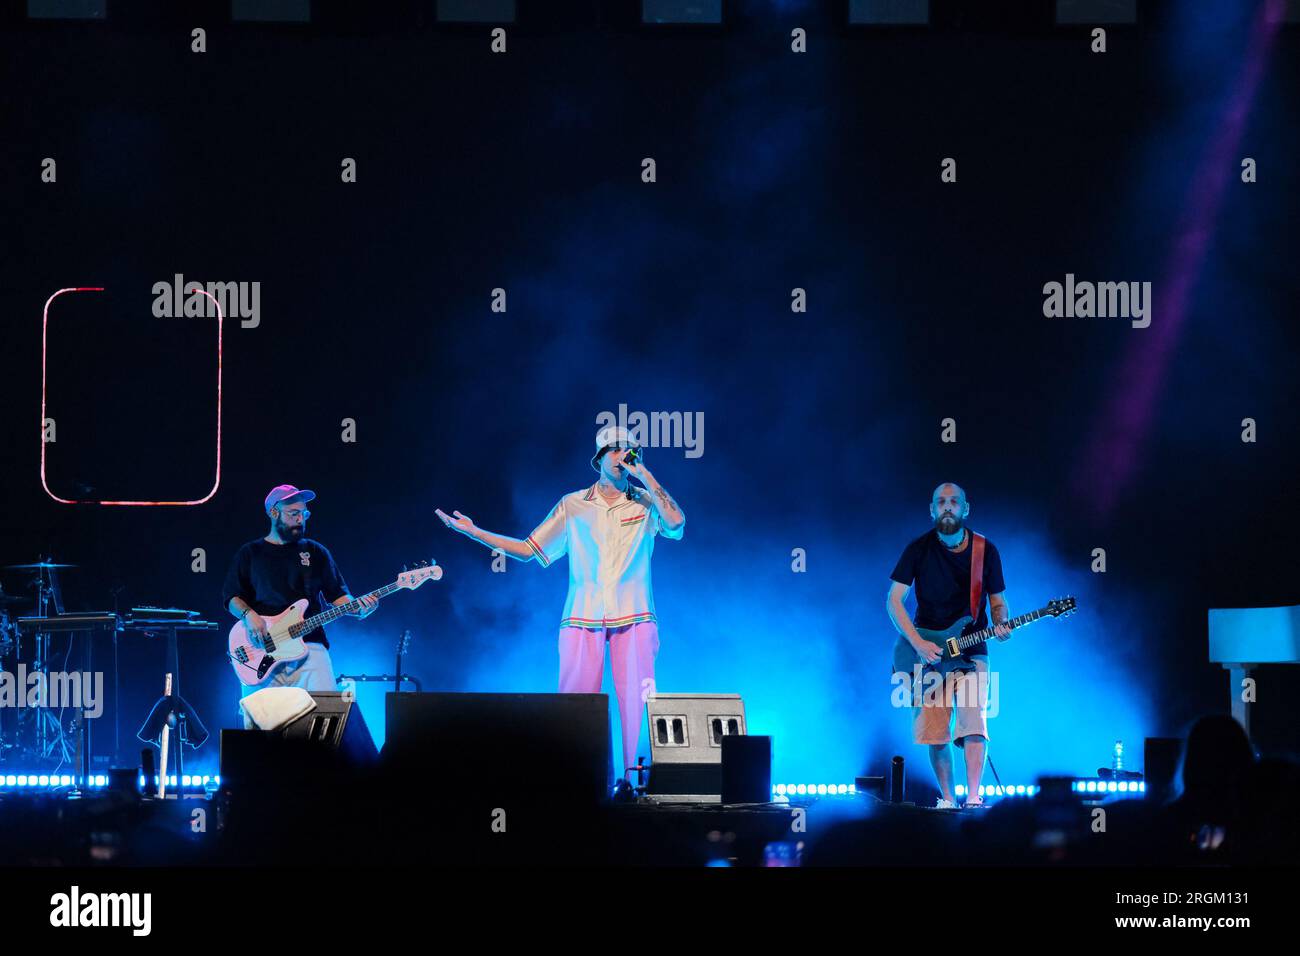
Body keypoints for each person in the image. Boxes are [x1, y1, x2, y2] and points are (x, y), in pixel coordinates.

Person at [437, 426, 685, 784]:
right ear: (599, 459)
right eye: (615, 450)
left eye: (630, 450)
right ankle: (576, 782)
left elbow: (677, 523)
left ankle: (636, 783)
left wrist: (644, 474)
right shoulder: (573, 504)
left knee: (640, 704)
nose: (623, 456)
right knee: (575, 707)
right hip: (582, 617)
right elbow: (528, 550)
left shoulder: (646, 501)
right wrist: (473, 532)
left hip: (636, 616)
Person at [887, 482, 1011, 809]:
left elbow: (997, 602)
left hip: (972, 648)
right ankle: (948, 799)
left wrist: (1000, 619)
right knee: (936, 732)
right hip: (928, 651)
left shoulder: (986, 550)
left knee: (973, 723)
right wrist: (918, 642)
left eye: (954, 502)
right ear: (931, 510)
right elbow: (894, 601)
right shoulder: (917, 549)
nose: (947, 507)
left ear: (965, 509)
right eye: (940, 502)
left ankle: (972, 798)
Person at [222, 484, 377, 705]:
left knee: (326, 716)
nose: (300, 519)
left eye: (304, 514)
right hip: (262, 649)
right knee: (262, 728)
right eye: (294, 513)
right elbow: (231, 597)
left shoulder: (315, 552)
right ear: (273, 512)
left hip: (310, 646)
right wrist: (248, 615)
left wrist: (360, 608)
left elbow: (339, 596)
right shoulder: (250, 553)